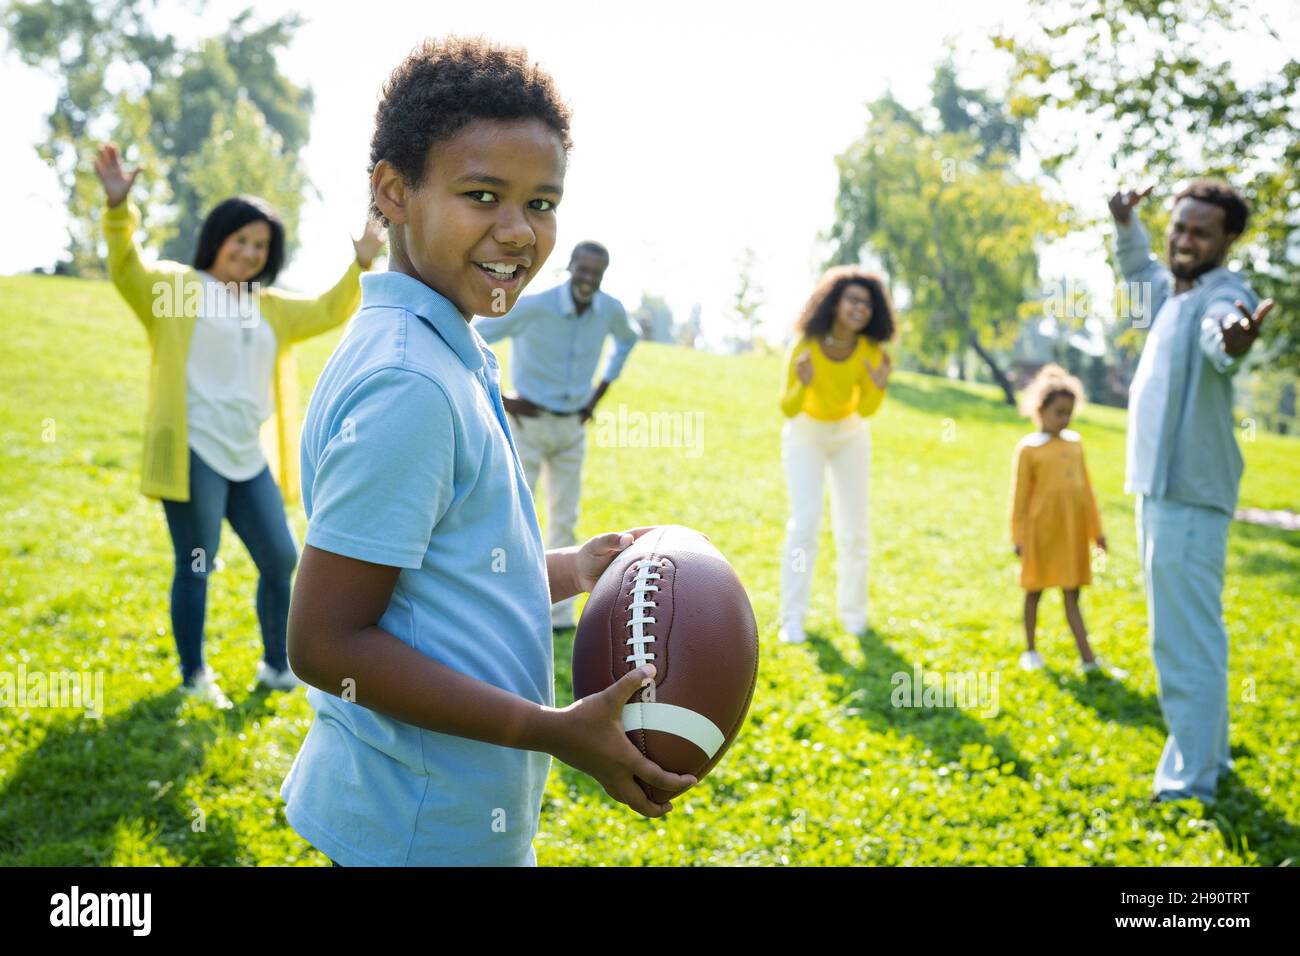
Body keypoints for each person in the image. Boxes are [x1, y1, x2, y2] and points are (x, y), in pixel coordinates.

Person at [279, 36, 694, 867]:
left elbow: (442, 578)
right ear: (394, 192)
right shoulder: (412, 385)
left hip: (423, 810)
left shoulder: (435, 346)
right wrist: (549, 730)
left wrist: (572, 569)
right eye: (482, 195)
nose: (517, 232)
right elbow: (325, 644)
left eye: (542, 203)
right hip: (419, 827)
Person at [93, 143, 384, 708]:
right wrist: (116, 210)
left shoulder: (268, 307)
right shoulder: (175, 289)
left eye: (261, 246)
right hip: (193, 450)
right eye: (241, 240)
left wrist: (362, 262)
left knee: (281, 558)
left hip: (247, 455)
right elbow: (125, 265)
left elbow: (328, 310)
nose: (250, 253)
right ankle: (195, 676)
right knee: (196, 564)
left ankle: (276, 665)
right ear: (218, 238)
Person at [1110, 179, 1275, 803]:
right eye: (1179, 226)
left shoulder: (1223, 295)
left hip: (1189, 492)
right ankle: (1212, 759)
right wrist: (1125, 222)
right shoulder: (1169, 292)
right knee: (1194, 632)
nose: (1183, 240)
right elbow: (1137, 266)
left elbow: (1223, 335)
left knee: (1179, 640)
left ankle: (1188, 784)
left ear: (1227, 241)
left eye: (1200, 232)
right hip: (1159, 488)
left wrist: (1235, 338)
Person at [473, 241, 638, 629]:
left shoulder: (610, 310)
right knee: (513, 515)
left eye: (596, 273)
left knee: (565, 515)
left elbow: (627, 340)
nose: (588, 278)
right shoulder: (534, 305)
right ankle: (501, 601)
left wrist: (598, 396)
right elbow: (475, 337)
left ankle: (557, 615)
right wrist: (504, 400)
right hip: (527, 423)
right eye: (582, 270)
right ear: (570, 267)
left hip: (571, 427)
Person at [777, 266, 893, 644]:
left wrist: (878, 386)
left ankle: (854, 615)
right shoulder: (805, 343)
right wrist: (804, 383)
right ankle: (792, 618)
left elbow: (869, 409)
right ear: (835, 302)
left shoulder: (870, 351)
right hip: (805, 435)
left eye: (868, 304)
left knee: (854, 531)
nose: (861, 308)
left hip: (850, 437)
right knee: (805, 526)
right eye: (854, 300)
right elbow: (788, 408)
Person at [1009, 364, 1115, 674]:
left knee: (1073, 594)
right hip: (1040, 533)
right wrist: (1018, 537)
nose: (1064, 418)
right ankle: (1030, 650)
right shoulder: (1029, 449)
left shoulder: (1075, 443)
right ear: (1040, 410)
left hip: (1071, 533)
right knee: (1034, 591)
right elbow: (1018, 500)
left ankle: (1087, 658)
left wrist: (1097, 531)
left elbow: (1087, 493)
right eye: (1058, 412)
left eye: (1069, 412)